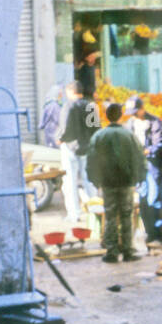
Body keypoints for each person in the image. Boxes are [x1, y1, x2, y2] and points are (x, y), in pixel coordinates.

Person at [88, 103, 147, 263]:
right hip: (126, 182)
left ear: (106, 116)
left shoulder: (99, 136)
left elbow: (91, 160)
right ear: (121, 116)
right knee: (127, 215)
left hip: (107, 183)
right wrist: (139, 178)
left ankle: (112, 252)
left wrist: (95, 181)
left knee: (111, 216)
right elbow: (139, 158)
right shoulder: (129, 136)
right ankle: (128, 251)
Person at [128, 96, 162, 249]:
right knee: (143, 201)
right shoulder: (131, 124)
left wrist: (146, 151)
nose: (134, 115)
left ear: (142, 109)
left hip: (153, 166)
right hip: (139, 166)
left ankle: (161, 237)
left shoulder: (155, 123)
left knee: (154, 200)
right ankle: (150, 235)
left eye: (136, 112)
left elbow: (160, 144)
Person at [57, 83, 99, 223]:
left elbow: (65, 128)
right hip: (87, 148)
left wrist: (60, 139)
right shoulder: (90, 106)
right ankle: (94, 211)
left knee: (70, 181)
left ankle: (74, 214)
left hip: (70, 147)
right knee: (89, 180)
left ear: (70, 92)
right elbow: (95, 128)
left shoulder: (68, 107)